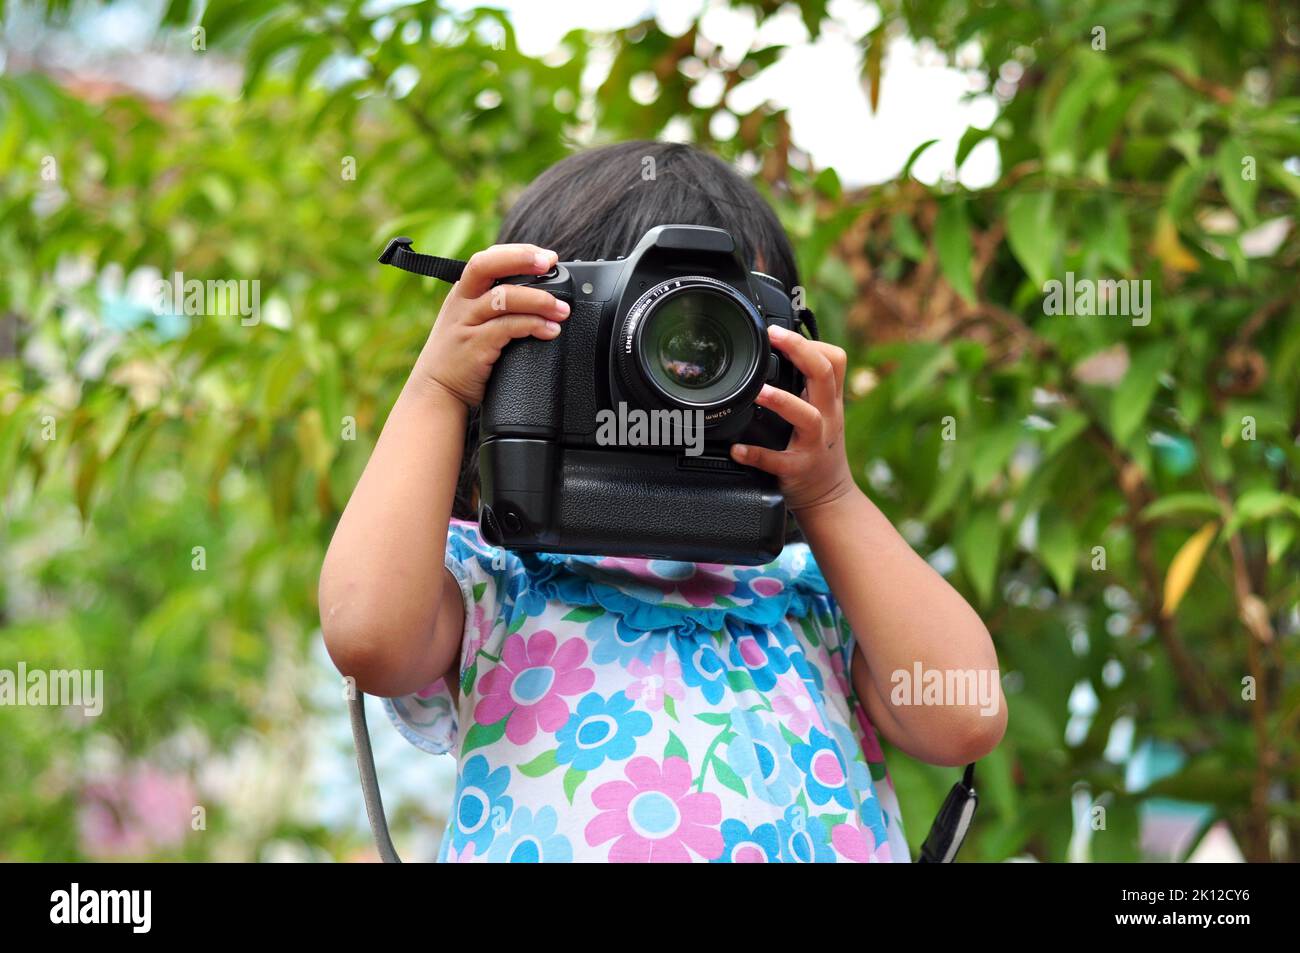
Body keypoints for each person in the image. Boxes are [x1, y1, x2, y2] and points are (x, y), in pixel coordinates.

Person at [319, 141, 1006, 862]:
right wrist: (442, 389)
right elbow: (367, 636)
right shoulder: (497, 584)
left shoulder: (811, 596)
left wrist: (830, 493)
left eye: (723, 328)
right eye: (619, 327)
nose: (682, 373)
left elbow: (963, 716)